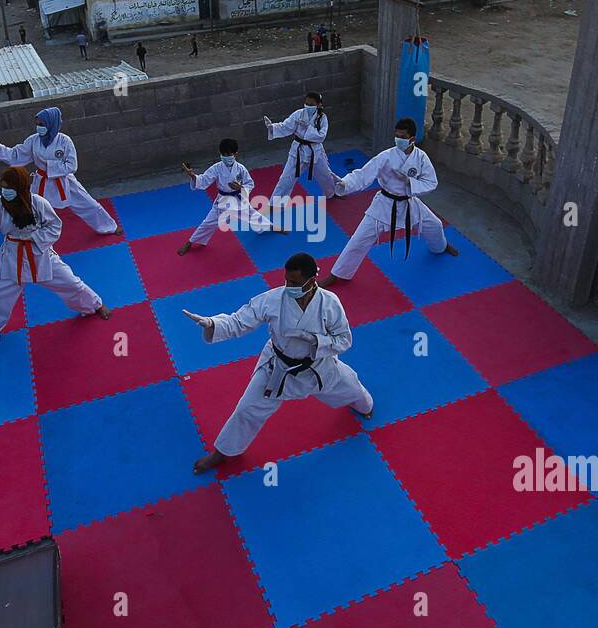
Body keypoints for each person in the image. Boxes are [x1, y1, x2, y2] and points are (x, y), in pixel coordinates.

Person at [184, 252, 374, 474]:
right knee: (247, 409)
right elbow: (239, 321)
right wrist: (212, 324)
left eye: (294, 282)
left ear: (311, 280)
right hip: (278, 368)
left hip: (318, 367)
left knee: (351, 385)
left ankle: (365, 406)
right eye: (286, 280)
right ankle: (223, 452)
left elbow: (344, 340)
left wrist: (316, 341)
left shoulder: (330, 303)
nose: (288, 286)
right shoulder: (273, 299)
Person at [0, 166, 110, 344]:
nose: (5, 191)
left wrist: (34, 238)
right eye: (3, 187)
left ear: (21, 186)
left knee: (72, 284)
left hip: (40, 254)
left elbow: (55, 226)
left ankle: (95, 304)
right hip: (11, 257)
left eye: (9, 188)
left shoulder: (39, 203)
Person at [320, 117, 458, 287]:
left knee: (435, 225)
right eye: (397, 135)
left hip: (409, 203)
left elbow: (431, 182)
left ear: (412, 139)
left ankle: (440, 246)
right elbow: (363, 174)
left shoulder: (421, 158)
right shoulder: (386, 157)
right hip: (385, 204)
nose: (398, 139)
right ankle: (337, 274)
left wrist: (409, 182)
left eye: (402, 136)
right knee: (359, 239)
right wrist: (345, 184)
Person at [0, 106, 122, 236]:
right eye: (37, 124)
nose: (39, 127)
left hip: (64, 181)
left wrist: (50, 166)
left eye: (42, 124)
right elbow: (16, 155)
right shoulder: (33, 140)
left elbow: (72, 165)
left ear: (52, 123)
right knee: (29, 209)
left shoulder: (64, 141)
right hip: (41, 182)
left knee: (89, 205)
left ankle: (109, 227)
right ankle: (24, 235)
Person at [177, 138, 284, 255]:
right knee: (207, 223)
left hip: (238, 200)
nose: (225, 156)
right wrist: (193, 176)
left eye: (228, 154)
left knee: (253, 215)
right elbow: (203, 180)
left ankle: (271, 226)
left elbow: (250, 184)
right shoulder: (217, 168)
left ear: (235, 154)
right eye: (223, 154)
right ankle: (189, 243)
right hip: (222, 202)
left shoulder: (241, 169)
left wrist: (239, 188)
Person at [265, 92, 338, 199]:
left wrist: (308, 128)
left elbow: (321, 136)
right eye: (306, 103)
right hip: (298, 151)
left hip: (315, 151)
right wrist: (272, 127)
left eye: (311, 104)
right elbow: (286, 126)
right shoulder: (298, 114)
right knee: (286, 178)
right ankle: (276, 202)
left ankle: (330, 193)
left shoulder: (322, 118)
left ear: (318, 105)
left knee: (325, 176)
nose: (308, 106)